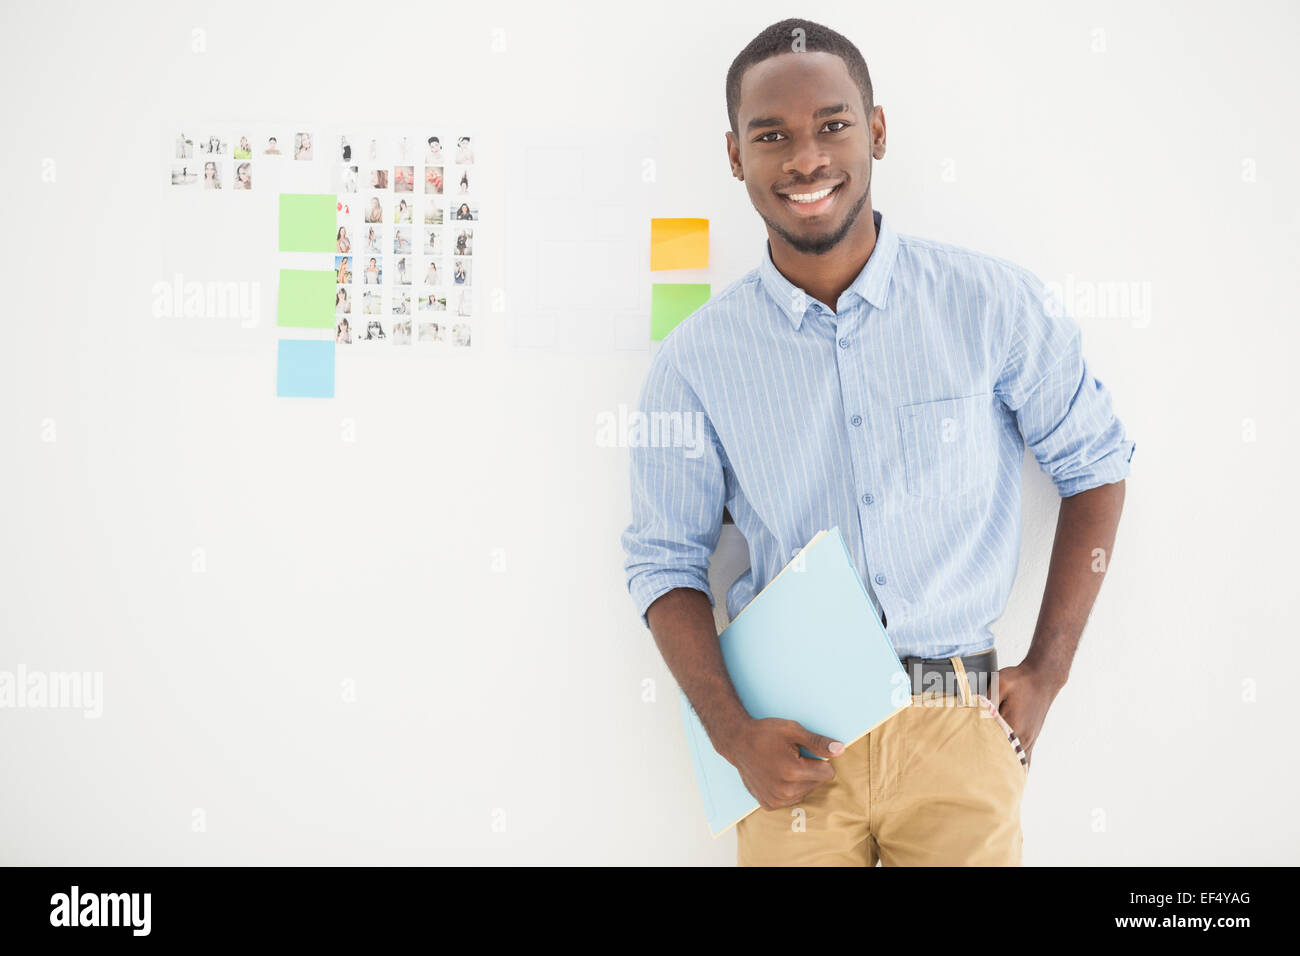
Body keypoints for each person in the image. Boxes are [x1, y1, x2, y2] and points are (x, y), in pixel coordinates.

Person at [620, 18, 1135, 868]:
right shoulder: (696, 362)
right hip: (792, 750)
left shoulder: (989, 305)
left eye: (832, 125)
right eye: (771, 135)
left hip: (959, 733)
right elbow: (664, 563)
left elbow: (1097, 467)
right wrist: (731, 735)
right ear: (734, 154)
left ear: (878, 131)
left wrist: (1047, 673)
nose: (806, 159)